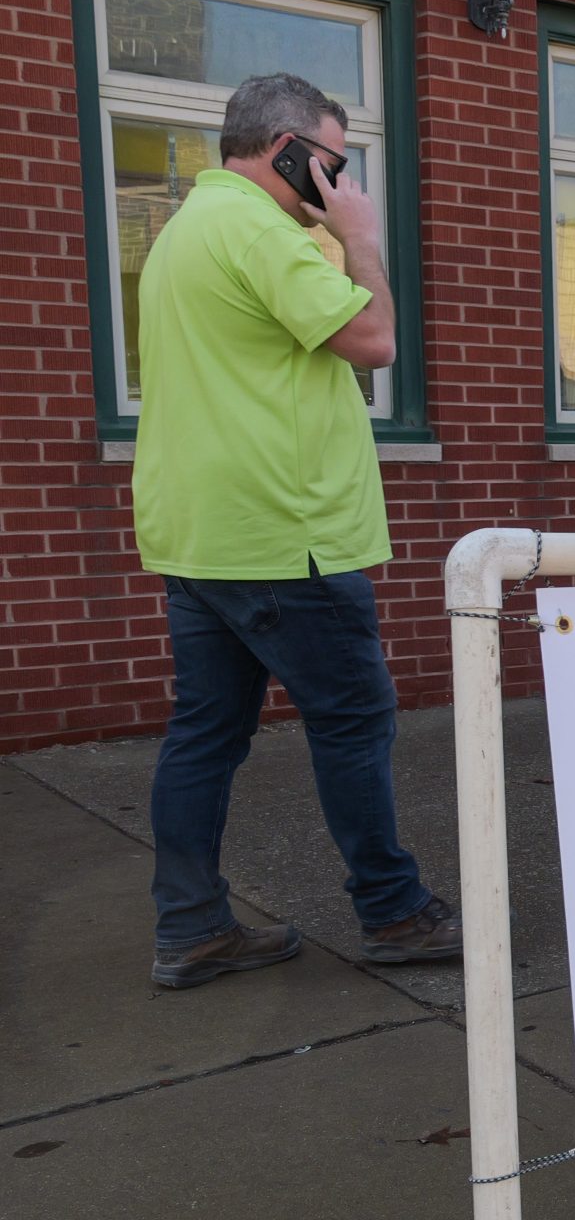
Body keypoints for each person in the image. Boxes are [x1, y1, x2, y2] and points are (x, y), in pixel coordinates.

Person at [134, 72, 462, 989]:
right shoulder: (259, 231)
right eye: (333, 160)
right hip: (284, 533)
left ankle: (191, 926)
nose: (341, 180)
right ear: (288, 151)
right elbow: (374, 342)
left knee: (205, 732)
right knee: (354, 721)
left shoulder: (186, 229)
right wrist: (358, 240)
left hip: (201, 532)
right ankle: (395, 912)